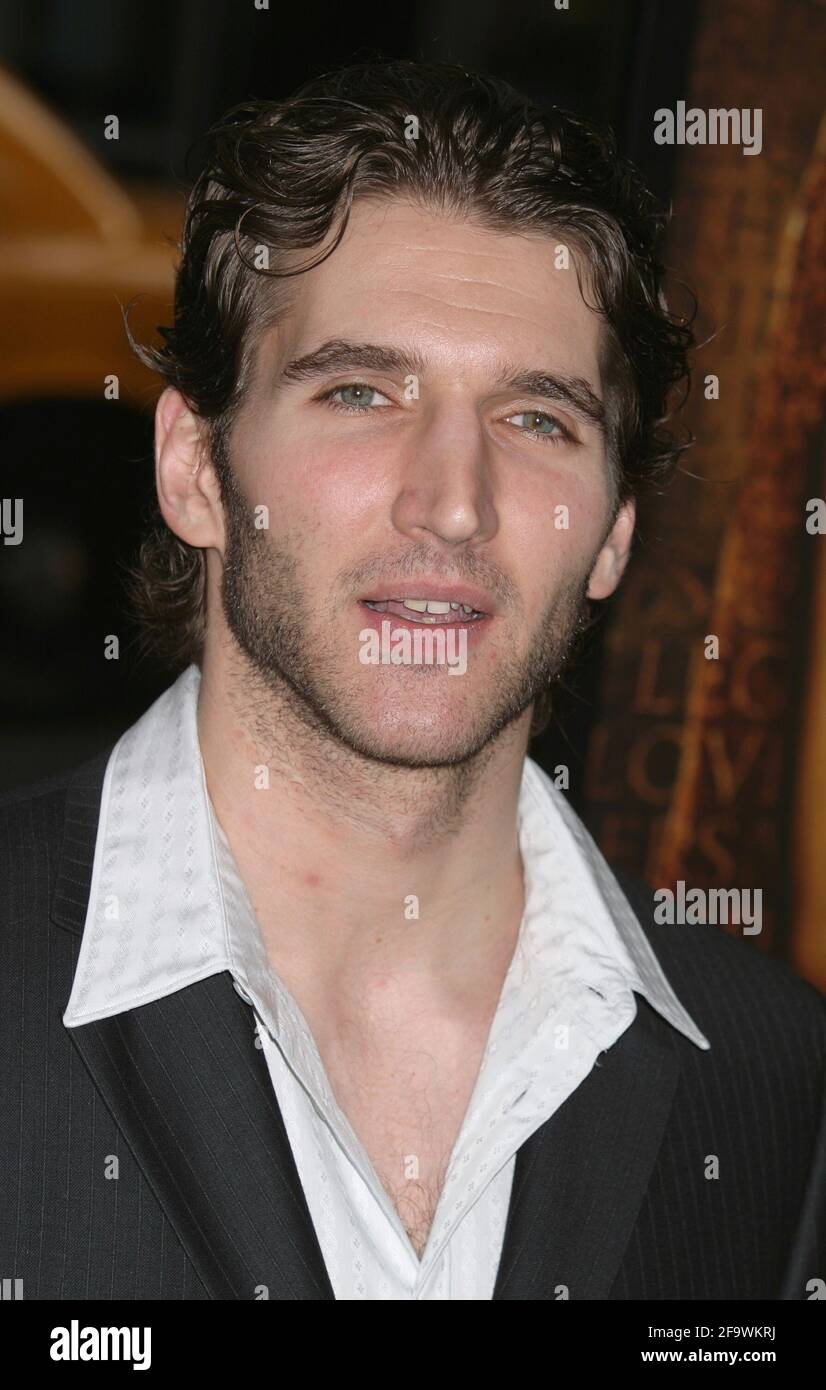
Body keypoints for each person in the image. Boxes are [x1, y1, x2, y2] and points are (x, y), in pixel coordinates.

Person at [2, 59, 823, 1302]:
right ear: (195, 469)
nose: (451, 499)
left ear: (612, 531)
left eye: (536, 418)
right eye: (358, 392)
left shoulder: (770, 1077)